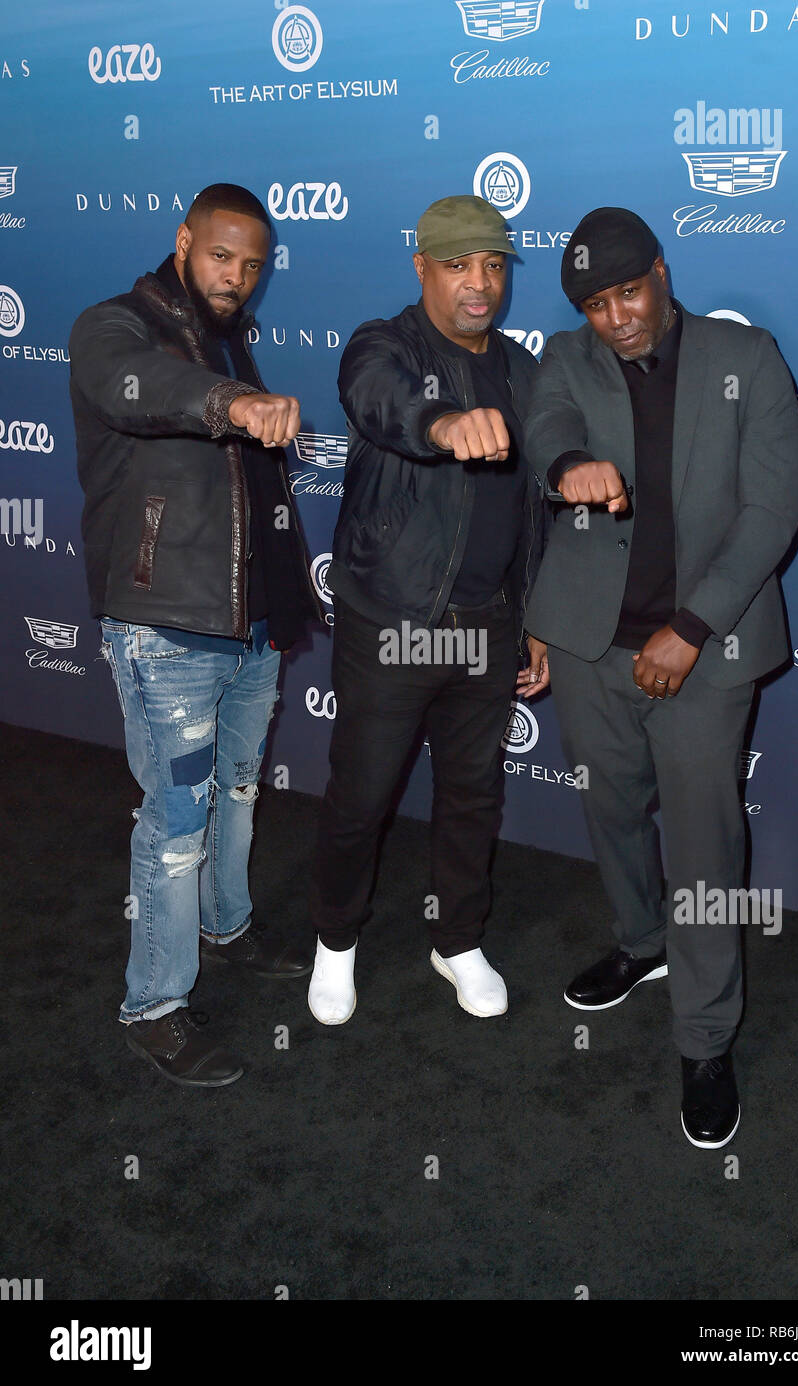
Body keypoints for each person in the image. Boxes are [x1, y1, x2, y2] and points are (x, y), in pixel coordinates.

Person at [523, 206, 798, 1146]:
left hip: (704, 648)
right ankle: (643, 947)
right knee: (610, 809)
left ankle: (706, 1037)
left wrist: (690, 629)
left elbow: (773, 512)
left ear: (663, 272)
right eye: (598, 303)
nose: (619, 316)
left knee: (703, 848)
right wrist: (569, 467)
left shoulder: (746, 358)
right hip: (590, 642)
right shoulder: (568, 358)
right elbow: (547, 426)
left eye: (630, 291)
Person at [70, 183, 320, 1087]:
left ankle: (227, 928)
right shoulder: (114, 326)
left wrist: (284, 608)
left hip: (247, 626)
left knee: (240, 793)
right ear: (183, 242)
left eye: (253, 265)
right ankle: (155, 1004)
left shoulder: (230, 339)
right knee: (175, 821)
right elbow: (136, 391)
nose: (237, 277)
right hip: (165, 627)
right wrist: (230, 401)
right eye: (223, 257)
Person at [307, 195, 547, 1025]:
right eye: (457, 266)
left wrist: (536, 617)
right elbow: (378, 400)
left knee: (473, 795)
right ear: (422, 268)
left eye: (491, 266)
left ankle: (458, 939)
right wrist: (442, 423)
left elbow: (537, 506)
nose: (478, 285)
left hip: (491, 625)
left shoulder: (523, 370)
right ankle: (335, 941)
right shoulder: (386, 345)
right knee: (362, 795)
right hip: (396, 623)